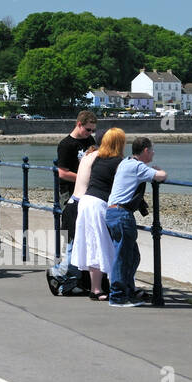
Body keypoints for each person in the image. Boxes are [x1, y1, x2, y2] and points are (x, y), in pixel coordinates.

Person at [105, 135, 166, 307]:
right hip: (122, 214)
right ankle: (117, 297)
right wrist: (158, 169)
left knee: (132, 256)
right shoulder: (137, 167)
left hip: (112, 212)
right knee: (123, 257)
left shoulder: (125, 162)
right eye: (152, 150)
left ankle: (127, 291)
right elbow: (161, 176)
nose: (153, 153)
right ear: (145, 150)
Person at [70, 127, 124, 300]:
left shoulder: (96, 157)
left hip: (85, 202)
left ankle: (96, 289)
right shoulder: (117, 161)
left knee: (93, 245)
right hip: (98, 204)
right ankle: (113, 287)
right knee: (104, 245)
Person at [56, 110, 98, 244]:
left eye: (92, 130)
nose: (90, 133)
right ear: (79, 124)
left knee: (87, 227)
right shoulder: (65, 145)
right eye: (88, 129)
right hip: (69, 191)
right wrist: (83, 179)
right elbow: (62, 173)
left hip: (88, 191)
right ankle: (67, 259)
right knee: (71, 228)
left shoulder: (90, 140)